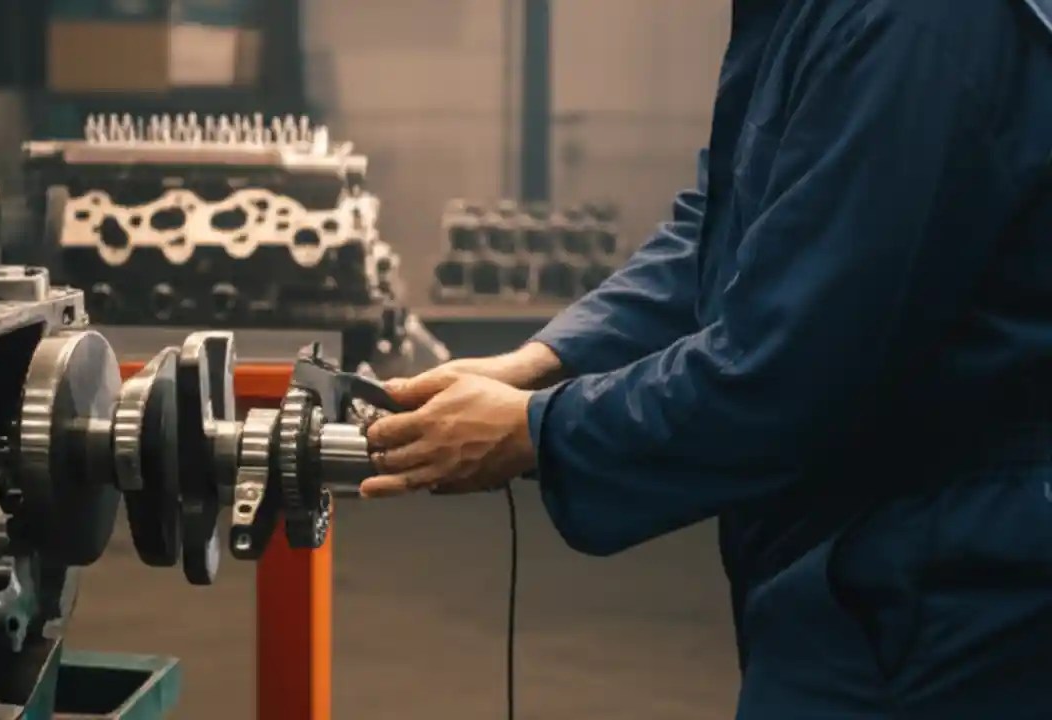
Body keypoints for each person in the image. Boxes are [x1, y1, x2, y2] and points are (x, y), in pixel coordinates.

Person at [360, 1, 1052, 717]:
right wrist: (540, 361)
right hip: (864, 559)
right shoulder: (809, 15)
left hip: (949, 588)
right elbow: (724, 228)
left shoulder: (909, 26)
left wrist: (535, 428)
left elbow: (786, 371)